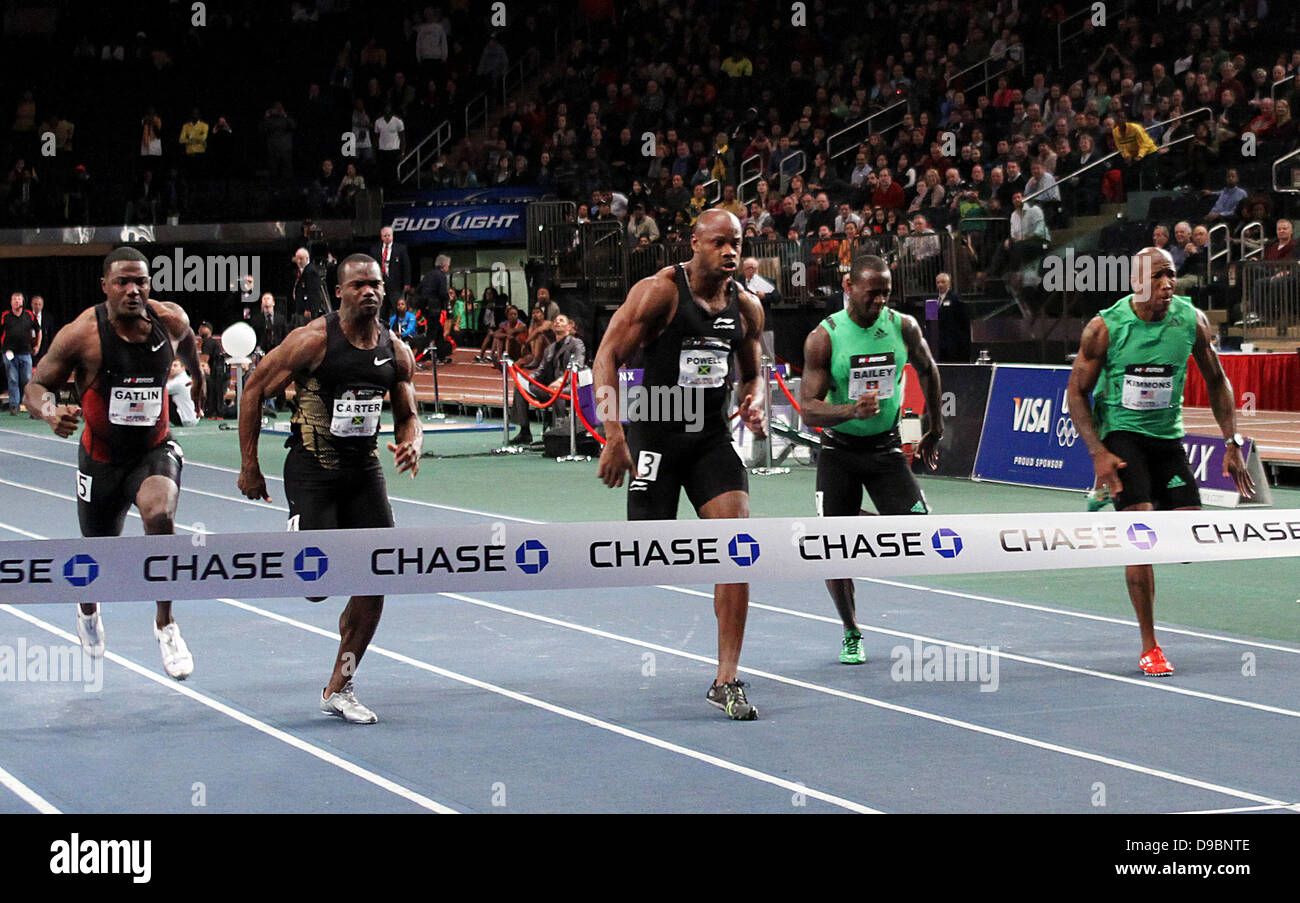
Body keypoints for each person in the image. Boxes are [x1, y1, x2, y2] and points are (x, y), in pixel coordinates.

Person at [593, 209, 767, 720]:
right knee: (649, 553)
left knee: (738, 547)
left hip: (711, 438)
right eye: (719, 243)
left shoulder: (748, 307)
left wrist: (753, 399)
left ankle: (726, 678)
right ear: (695, 243)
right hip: (655, 432)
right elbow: (606, 355)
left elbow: (753, 373)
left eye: (736, 242)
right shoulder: (661, 292)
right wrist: (614, 434)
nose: (730, 252)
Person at [237, 254, 421, 723]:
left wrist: (411, 443)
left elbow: (408, 415)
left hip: (363, 469)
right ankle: (307, 542)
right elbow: (254, 387)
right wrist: (249, 465)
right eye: (359, 285)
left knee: (380, 573)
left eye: (376, 284)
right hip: (311, 468)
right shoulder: (313, 340)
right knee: (315, 585)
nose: (369, 292)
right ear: (340, 291)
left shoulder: (395, 351)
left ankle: (339, 685)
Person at [1066, 246, 1254, 676]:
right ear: (1136, 282)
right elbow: (1077, 392)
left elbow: (1217, 379)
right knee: (1141, 533)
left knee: (1185, 542)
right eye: (1158, 276)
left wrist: (1231, 441)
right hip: (1123, 435)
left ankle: (1104, 497)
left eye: (1172, 275)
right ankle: (1150, 645)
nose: (1168, 283)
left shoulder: (1190, 320)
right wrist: (1098, 453)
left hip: (1167, 438)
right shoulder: (1106, 328)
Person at [24, 247, 203, 678]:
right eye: (122, 281)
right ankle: (88, 611)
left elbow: (191, 341)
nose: (133, 290)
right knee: (97, 556)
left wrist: (198, 381)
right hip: (101, 459)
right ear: (104, 286)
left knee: (160, 516)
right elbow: (35, 386)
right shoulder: (82, 334)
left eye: (140, 281)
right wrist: (51, 412)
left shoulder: (170, 320)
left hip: (153, 449)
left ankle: (166, 622)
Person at [799, 256, 943, 664]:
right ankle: (850, 630)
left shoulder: (902, 327)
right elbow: (808, 410)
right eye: (872, 293)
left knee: (920, 534)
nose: (880, 300)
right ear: (848, 285)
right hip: (838, 451)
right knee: (833, 547)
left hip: (885, 448)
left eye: (885, 292)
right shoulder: (824, 337)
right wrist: (848, 411)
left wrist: (936, 426)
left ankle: (844, 521)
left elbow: (929, 370)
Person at [509, 314, 584, 445]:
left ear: (569, 326)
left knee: (557, 393)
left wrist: (560, 381)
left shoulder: (576, 344)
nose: (557, 322)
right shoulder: (550, 349)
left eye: (561, 320)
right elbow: (540, 371)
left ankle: (557, 434)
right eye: (555, 321)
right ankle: (524, 431)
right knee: (520, 388)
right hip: (549, 388)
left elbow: (578, 366)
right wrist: (527, 380)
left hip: (570, 386)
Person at [3, 292, 40, 415]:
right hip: (10, 353)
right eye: (14, 299)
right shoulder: (5, 316)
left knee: (27, 380)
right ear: (11, 302)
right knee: (13, 379)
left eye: (19, 299)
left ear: (23, 301)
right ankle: (14, 406)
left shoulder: (29, 315)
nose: (17, 301)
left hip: (25, 353)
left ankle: (30, 407)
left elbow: (38, 330)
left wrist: (37, 345)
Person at [369, 226, 411, 323]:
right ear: (381, 237)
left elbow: (406, 267)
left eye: (389, 235)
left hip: (396, 284)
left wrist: (407, 282)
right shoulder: (375, 249)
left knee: (398, 308)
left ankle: (400, 329)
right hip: (381, 285)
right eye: (385, 236)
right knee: (382, 310)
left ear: (392, 236)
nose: (387, 237)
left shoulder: (401, 249)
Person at [166, 358, 201, 427]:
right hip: (193, 418)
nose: (172, 368)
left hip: (185, 419)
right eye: (171, 366)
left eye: (175, 366)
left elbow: (161, 390)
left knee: (162, 396)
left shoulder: (178, 382)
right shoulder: (186, 378)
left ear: (183, 368)